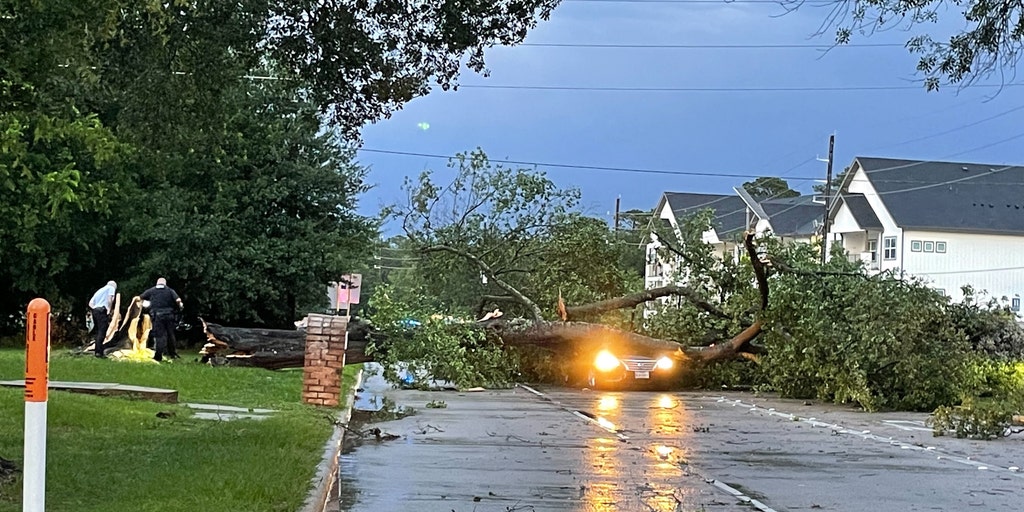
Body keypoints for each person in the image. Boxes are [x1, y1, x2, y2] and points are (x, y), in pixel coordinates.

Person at [140, 277, 184, 362]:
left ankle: (158, 356)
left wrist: (142, 304)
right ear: (165, 283)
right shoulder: (170, 290)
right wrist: (180, 306)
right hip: (169, 315)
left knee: (160, 336)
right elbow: (178, 300)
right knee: (171, 335)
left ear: (157, 283)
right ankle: (172, 354)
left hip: (158, 316)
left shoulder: (151, 290)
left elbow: (140, 297)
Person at [88, 281, 117, 358]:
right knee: (102, 331)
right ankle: (99, 352)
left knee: (98, 331)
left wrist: (95, 308)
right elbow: (109, 299)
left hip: (95, 311)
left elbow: (90, 303)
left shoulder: (99, 291)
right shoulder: (111, 288)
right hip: (102, 311)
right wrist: (109, 309)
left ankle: (97, 351)